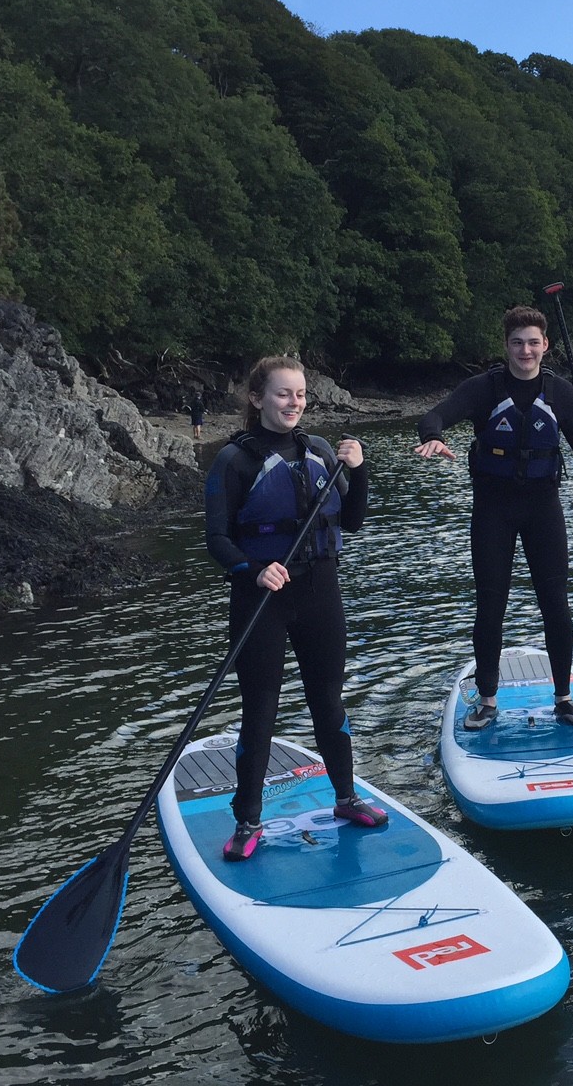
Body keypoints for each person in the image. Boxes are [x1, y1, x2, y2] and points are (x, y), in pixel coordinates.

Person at [204, 356, 383, 862]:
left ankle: (346, 798)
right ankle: (247, 819)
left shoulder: (322, 451)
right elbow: (216, 539)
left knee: (328, 700)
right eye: (283, 394)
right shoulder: (233, 461)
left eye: (300, 395)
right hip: (261, 598)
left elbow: (354, 520)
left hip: (321, 591)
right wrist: (251, 569)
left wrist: (359, 469)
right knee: (259, 711)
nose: (294, 403)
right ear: (258, 399)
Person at [414, 305, 573, 730]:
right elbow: (433, 416)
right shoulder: (482, 389)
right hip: (494, 510)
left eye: (533, 342)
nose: (525, 350)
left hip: (544, 508)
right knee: (491, 605)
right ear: (506, 346)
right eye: (517, 342)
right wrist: (433, 437)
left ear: (545, 345)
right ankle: (487, 700)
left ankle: (563, 697)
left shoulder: (561, 392)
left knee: (556, 604)